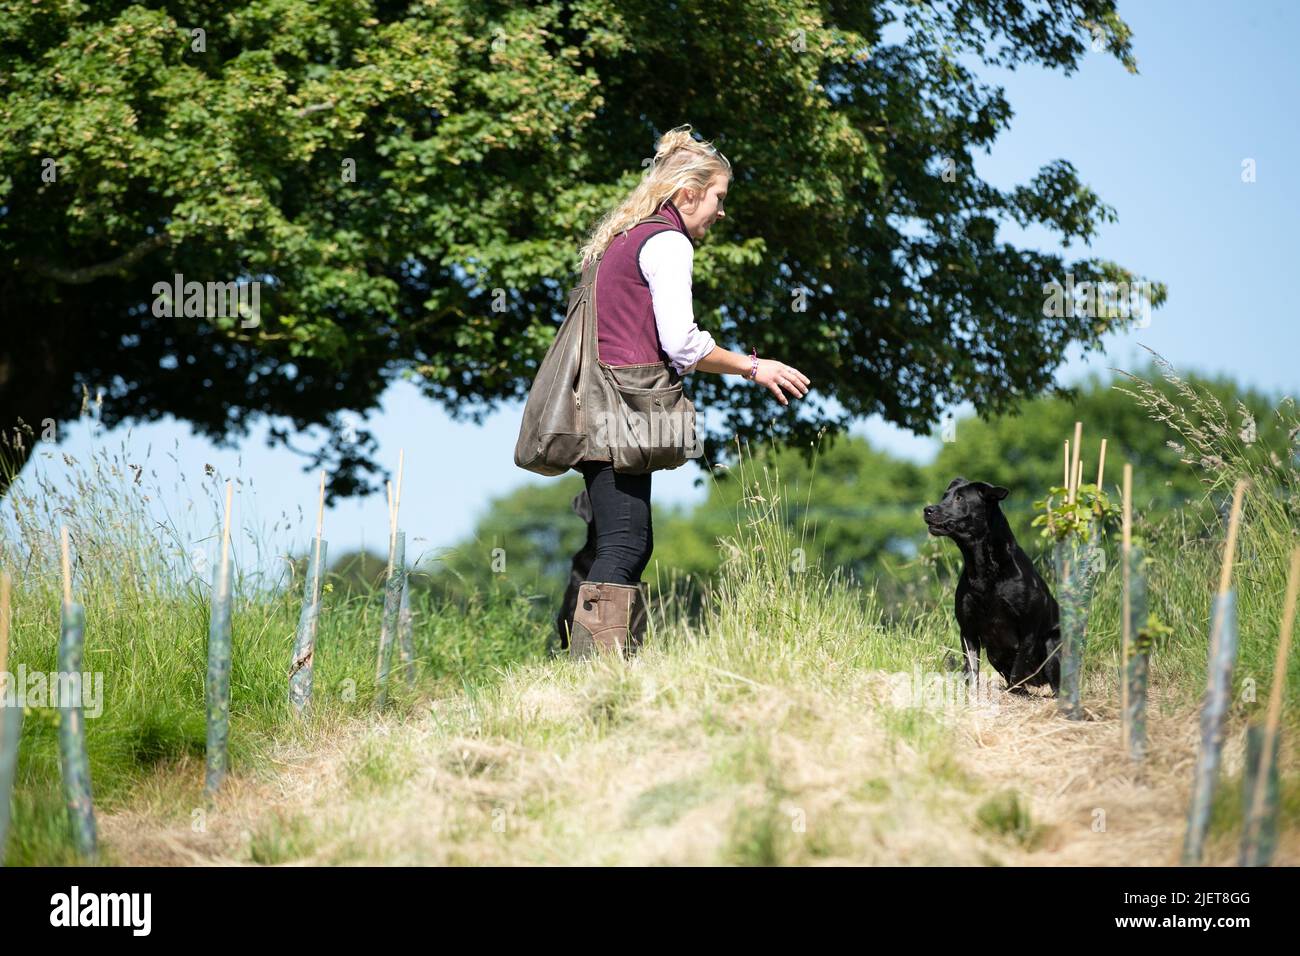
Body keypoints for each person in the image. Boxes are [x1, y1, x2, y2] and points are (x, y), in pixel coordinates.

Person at [566, 124, 811, 659]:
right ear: (689, 192)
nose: (722, 212)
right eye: (719, 198)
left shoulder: (619, 240)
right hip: (625, 409)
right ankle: (594, 674)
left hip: (596, 405)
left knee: (622, 540)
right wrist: (754, 366)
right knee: (626, 543)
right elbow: (683, 345)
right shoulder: (667, 241)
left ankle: (601, 667)